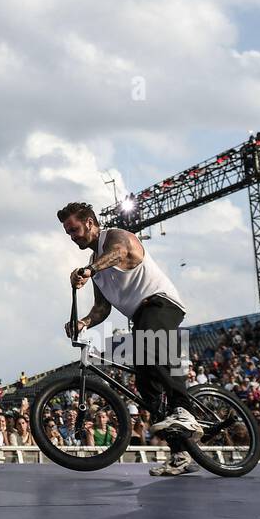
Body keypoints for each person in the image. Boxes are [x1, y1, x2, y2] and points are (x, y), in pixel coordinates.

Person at [60, 201, 199, 476]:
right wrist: (84, 322)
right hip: (141, 315)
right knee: (147, 385)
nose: (72, 236)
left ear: (89, 222)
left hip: (161, 303)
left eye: (74, 229)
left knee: (153, 348)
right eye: (68, 233)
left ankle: (185, 410)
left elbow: (119, 253)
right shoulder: (94, 267)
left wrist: (90, 271)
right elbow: (102, 308)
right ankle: (181, 454)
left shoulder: (115, 237)